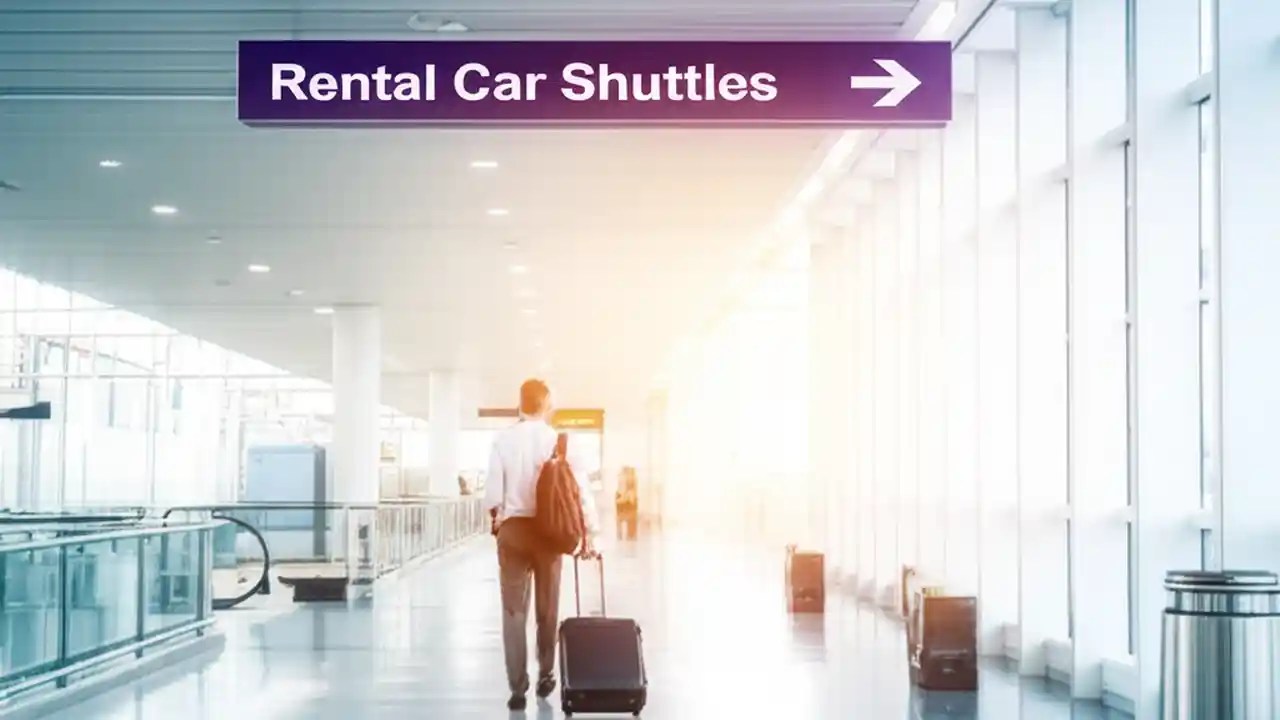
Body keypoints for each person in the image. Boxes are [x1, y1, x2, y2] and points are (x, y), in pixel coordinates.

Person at [484, 378, 599, 711]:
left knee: (513, 611)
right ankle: (546, 673)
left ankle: (517, 688)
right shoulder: (560, 442)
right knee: (547, 610)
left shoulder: (502, 440)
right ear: (546, 404)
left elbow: (493, 495)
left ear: (520, 403)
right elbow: (580, 491)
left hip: (514, 532)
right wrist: (591, 532)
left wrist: (499, 520)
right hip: (551, 533)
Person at [615, 466, 639, 541]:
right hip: (624, 500)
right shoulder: (623, 480)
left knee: (631, 517)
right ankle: (627, 533)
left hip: (628, 500)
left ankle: (630, 534)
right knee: (622, 517)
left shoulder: (632, 482)